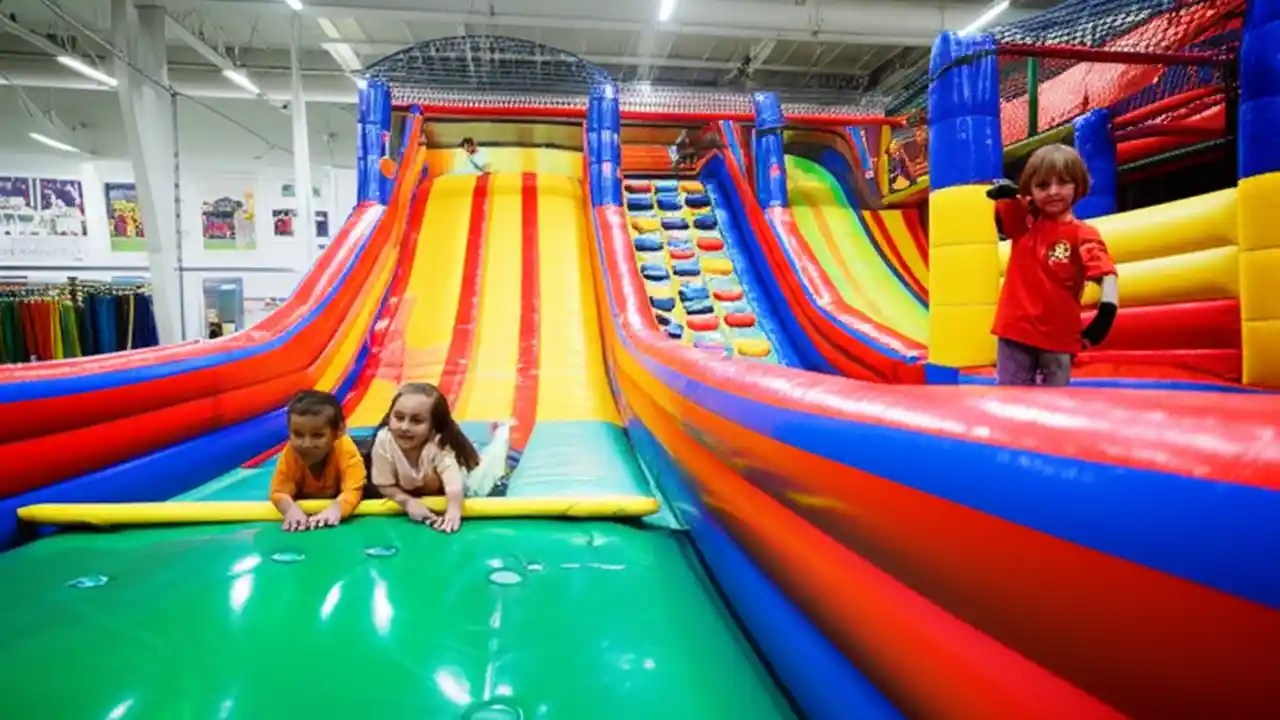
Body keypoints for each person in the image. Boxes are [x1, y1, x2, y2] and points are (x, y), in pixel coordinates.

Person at [986, 143, 1119, 387]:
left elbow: (1104, 271)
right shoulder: (1026, 225)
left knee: (1054, 402)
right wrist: (1009, 197)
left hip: (1058, 336)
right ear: (1031, 191)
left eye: (1063, 183)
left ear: (1078, 185)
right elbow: (1007, 213)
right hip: (1016, 330)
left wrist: (1105, 315)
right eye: (1043, 186)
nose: (1053, 192)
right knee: (1012, 399)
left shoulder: (1083, 234)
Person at [366, 383, 511, 534]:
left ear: (433, 427)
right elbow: (384, 484)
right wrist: (407, 502)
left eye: (416, 421)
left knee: (489, 474)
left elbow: (454, 486)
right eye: (399, 418)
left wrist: (454, 511)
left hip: (463, 483)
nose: (404, 427)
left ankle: (501, 433)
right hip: (422, 489)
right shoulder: (384, 440)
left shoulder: (438, 445)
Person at [268, 389, 367, 531]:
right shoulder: (291, 453)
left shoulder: (346, 450)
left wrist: (337, 509)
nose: (306, 444)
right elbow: (279, 491)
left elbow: (354, 488)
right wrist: (290, 510)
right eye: (298, 435)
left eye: (317, 435)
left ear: (338, 431)